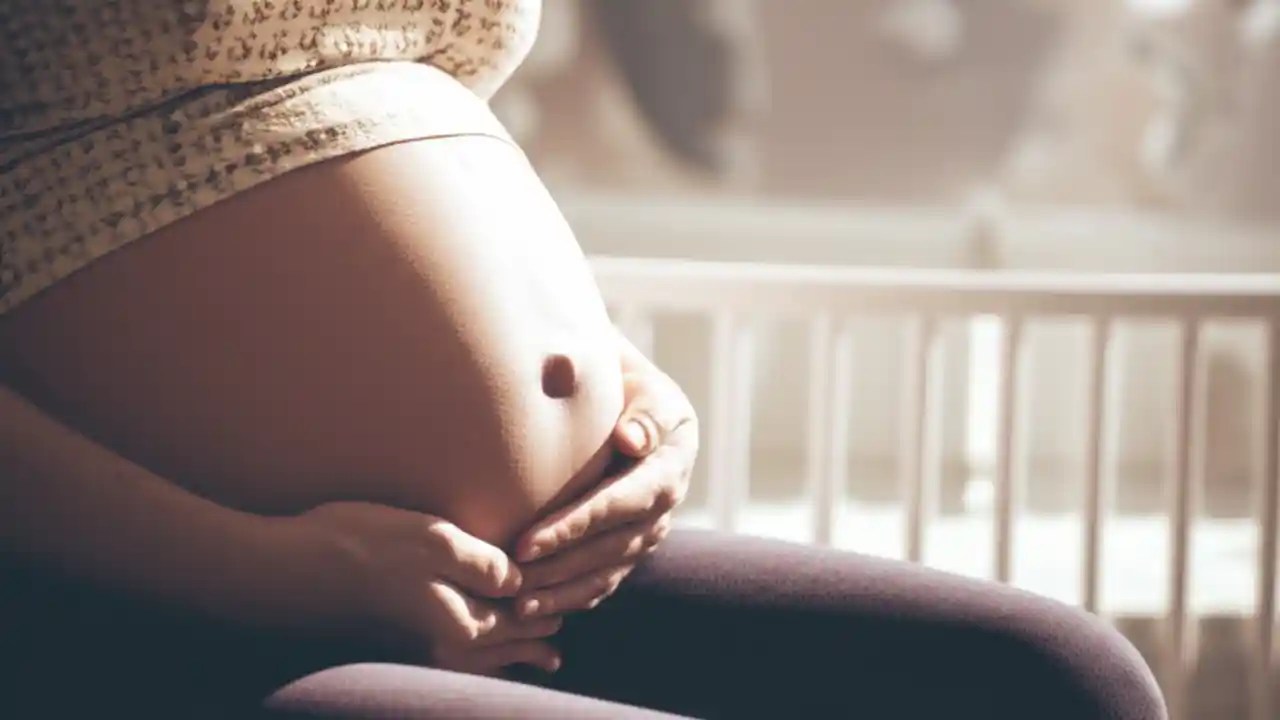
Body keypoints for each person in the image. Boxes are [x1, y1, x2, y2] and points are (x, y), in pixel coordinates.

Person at [0, 2, 1165, 717]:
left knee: (1058, 682)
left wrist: (638, 405)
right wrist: (282, 573)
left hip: (505, 584)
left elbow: (374, 152)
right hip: (160, 596)